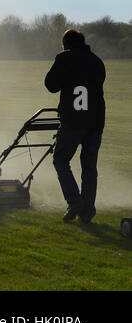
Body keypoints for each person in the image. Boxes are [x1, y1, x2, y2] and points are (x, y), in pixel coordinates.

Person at [45, 29, 105, 224]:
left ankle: (74, 201)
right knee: (89, 167)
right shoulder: (97, 61)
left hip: (72, 120)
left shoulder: (64, 58)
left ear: (66, 44)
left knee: (60, 160)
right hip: (95, 121)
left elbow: (51, 85)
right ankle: (87, 211)